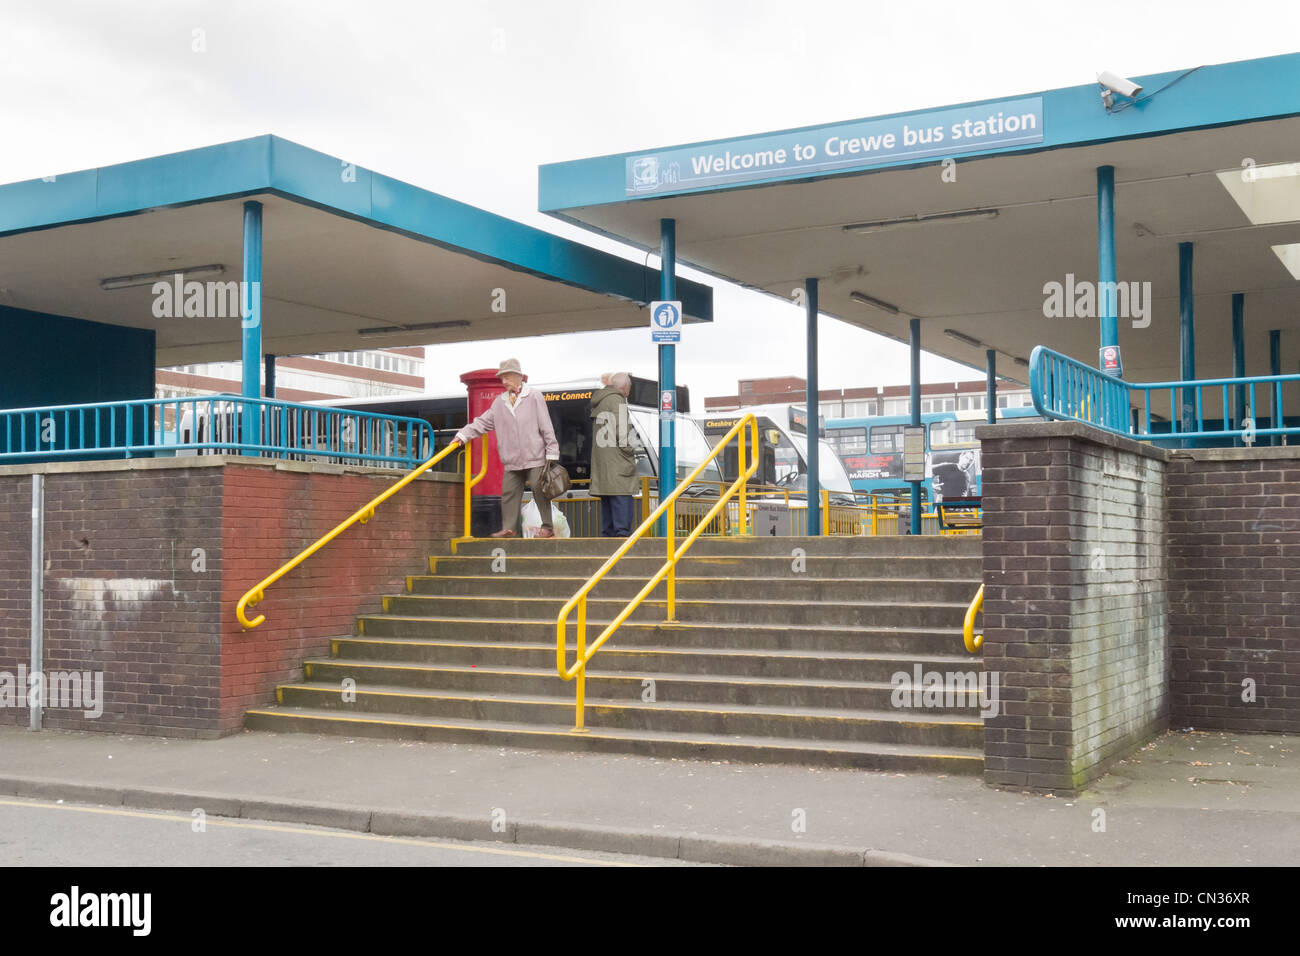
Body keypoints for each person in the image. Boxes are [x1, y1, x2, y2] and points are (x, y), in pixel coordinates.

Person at [455, 358, 560, 538]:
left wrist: (552, 451)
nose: (504, 382)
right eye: (502, 378)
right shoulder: (499, 403)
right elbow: (482, 422)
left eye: (507, 377)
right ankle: (509, 528)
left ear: (518, 376)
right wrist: (462, 435)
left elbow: (546, 425)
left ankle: (547, 527)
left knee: (538, 488)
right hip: (511, 459)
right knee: (508, 493)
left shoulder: (534, 396)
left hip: (535, 456)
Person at [589, 371, 639, 536]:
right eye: (629, 387)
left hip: (603, 467)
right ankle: (622, 552)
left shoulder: (600, 401)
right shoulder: (617, 401)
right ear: (624, 387)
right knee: (622, 527)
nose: (629, 391)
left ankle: (607, 552)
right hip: (619, 467)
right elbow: (623, 434)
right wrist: (632, 450)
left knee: (608, 523)